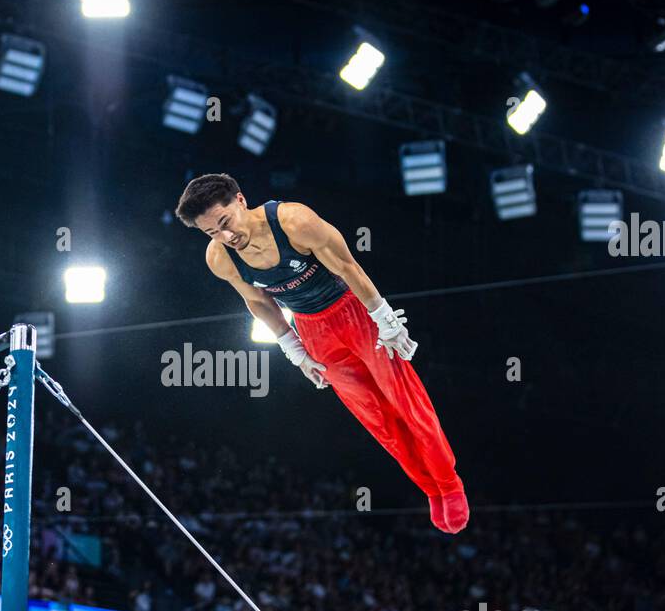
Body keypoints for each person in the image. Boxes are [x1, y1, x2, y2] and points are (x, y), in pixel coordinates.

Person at [174, 173, 468, 532]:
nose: (224, 237)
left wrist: (384, 317)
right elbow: (257, 302)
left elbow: (348, 267)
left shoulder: (295, 221)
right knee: (375, 418)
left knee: (404, 401)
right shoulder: (220, 258)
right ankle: (430, 489)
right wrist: (291, 347)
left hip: (355, 312)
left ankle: (449, 485)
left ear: (240, 200)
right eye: (211, 233)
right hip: (312, 330)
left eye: (224, 223)